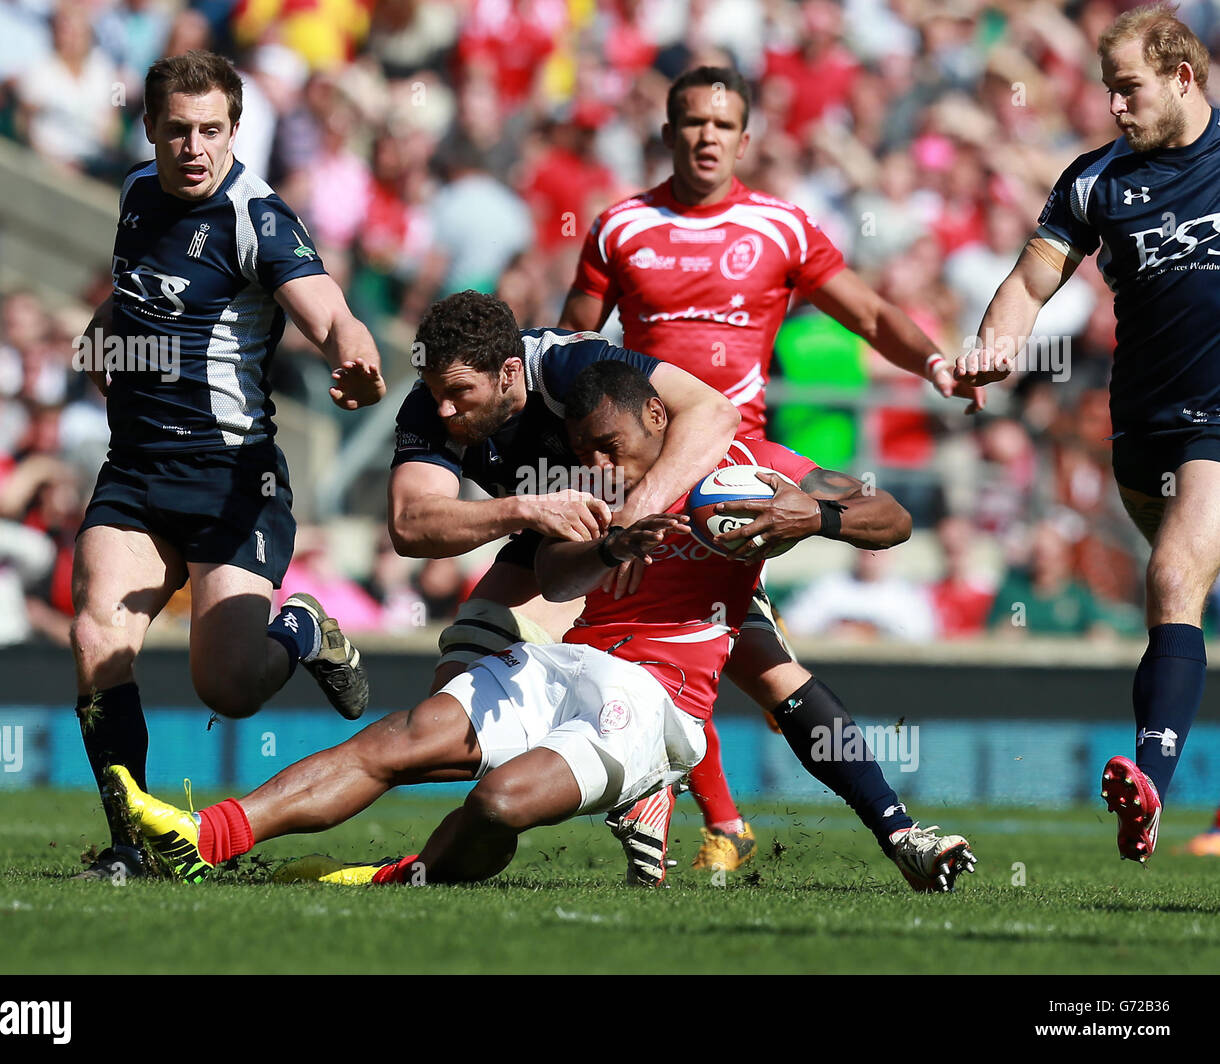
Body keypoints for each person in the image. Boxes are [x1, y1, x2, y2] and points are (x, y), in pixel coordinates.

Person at [107, 360, 976, 892]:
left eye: (611, 446)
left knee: (499, 800)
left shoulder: (753, 470)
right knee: (403, 737)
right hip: (566, 659)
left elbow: (889, 513)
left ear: (658, 421)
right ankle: (206, 840)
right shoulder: (599, 492)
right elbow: (554, 577)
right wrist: (606, 544)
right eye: (586, 449)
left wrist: (810, 520)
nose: (598, 464)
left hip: (657, 698)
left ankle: (414, 874)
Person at [559, 65, 983, 872]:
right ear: (668, 133)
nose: (707, 136)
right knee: (741, 651)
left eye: (722, 124)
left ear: (745, 138)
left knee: (680, 642)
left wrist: (933, 363)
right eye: (691, 122)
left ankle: (685, 799)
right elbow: (573, 349)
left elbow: (866, 311)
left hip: (737, 471)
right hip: (643, 470)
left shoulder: (781, 227)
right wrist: (573, 473)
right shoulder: (620, 227)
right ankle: (811, 824)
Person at [70, 51, 385, 881]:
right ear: (150, 130)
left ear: (236, 130)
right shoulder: (138, 193)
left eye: (212, 130)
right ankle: (130, 844)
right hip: (135, 470)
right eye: (177, 129)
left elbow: (327, 309)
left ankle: (301, 628)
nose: (194, 147)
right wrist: (104, 337)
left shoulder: (258, 217)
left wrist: (354, 354)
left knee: (229, 689)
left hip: (231, 479)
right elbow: (134, 292)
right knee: (98, 634)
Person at [954, 3, 1215, 862]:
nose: (1115, 106)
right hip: (1141, 433)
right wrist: (992, 350)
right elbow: (1030, 285)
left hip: (1213, 430)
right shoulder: (1095, 179)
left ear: (1183, 77)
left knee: (1173, 578)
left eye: (1130, 88)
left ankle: (1150, 788)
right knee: (1188, 592)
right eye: (1107, 90)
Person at [389, 288, 740, 877]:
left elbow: (715, 413)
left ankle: (889, 828)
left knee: (775, 678)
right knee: (452, 710)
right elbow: (410, 524)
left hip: (662, 530)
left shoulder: (567, 366)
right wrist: (523, 510)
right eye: (435, 391)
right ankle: (641, 786)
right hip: (559, 541)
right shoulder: (430, 406)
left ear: (507, 373)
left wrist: (631, 520)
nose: (444, 409)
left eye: (458, 393)